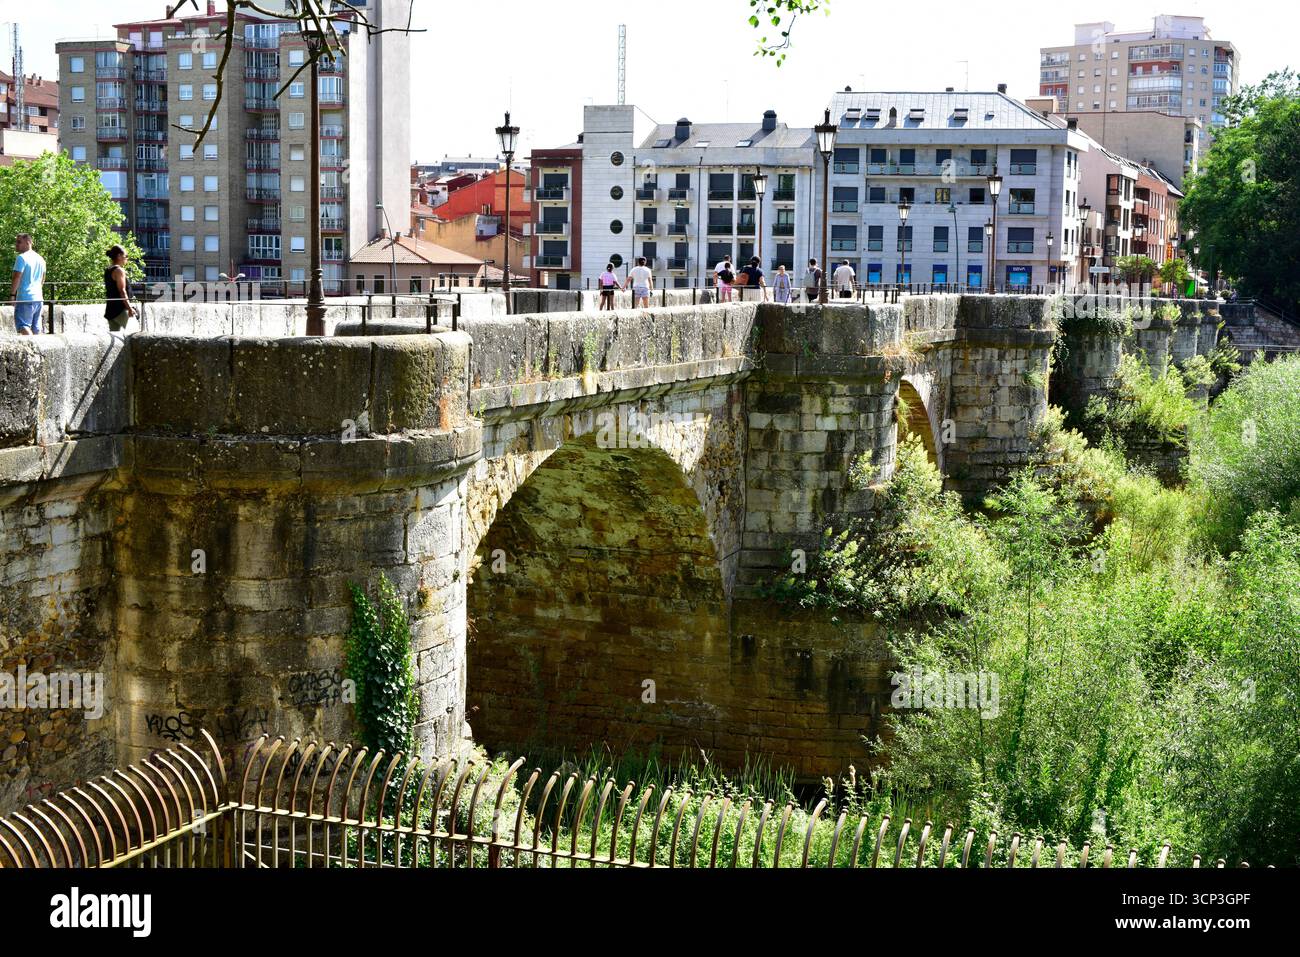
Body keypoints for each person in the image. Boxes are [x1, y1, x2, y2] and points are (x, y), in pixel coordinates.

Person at [10, 233, 46, 336]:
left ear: (28, 242)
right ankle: (39, 350)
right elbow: (42, 280)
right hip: (38, 298)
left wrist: (12, 295)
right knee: (36, 328)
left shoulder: (21, 258)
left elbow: (17, 277)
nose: (16, 245)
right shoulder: (41, 259)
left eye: (19, 242)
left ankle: (34, 351)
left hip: (25, 298)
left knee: (23, 326)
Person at [104, 245, 136, 332]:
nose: (127, 259)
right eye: (126, 256)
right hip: (121, 310)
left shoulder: (108, 270)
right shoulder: (119, 270)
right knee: (135, 334)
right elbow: (122, 291)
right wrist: (129, 308)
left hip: (110, 309)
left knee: (114, 338)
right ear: (119, 256)